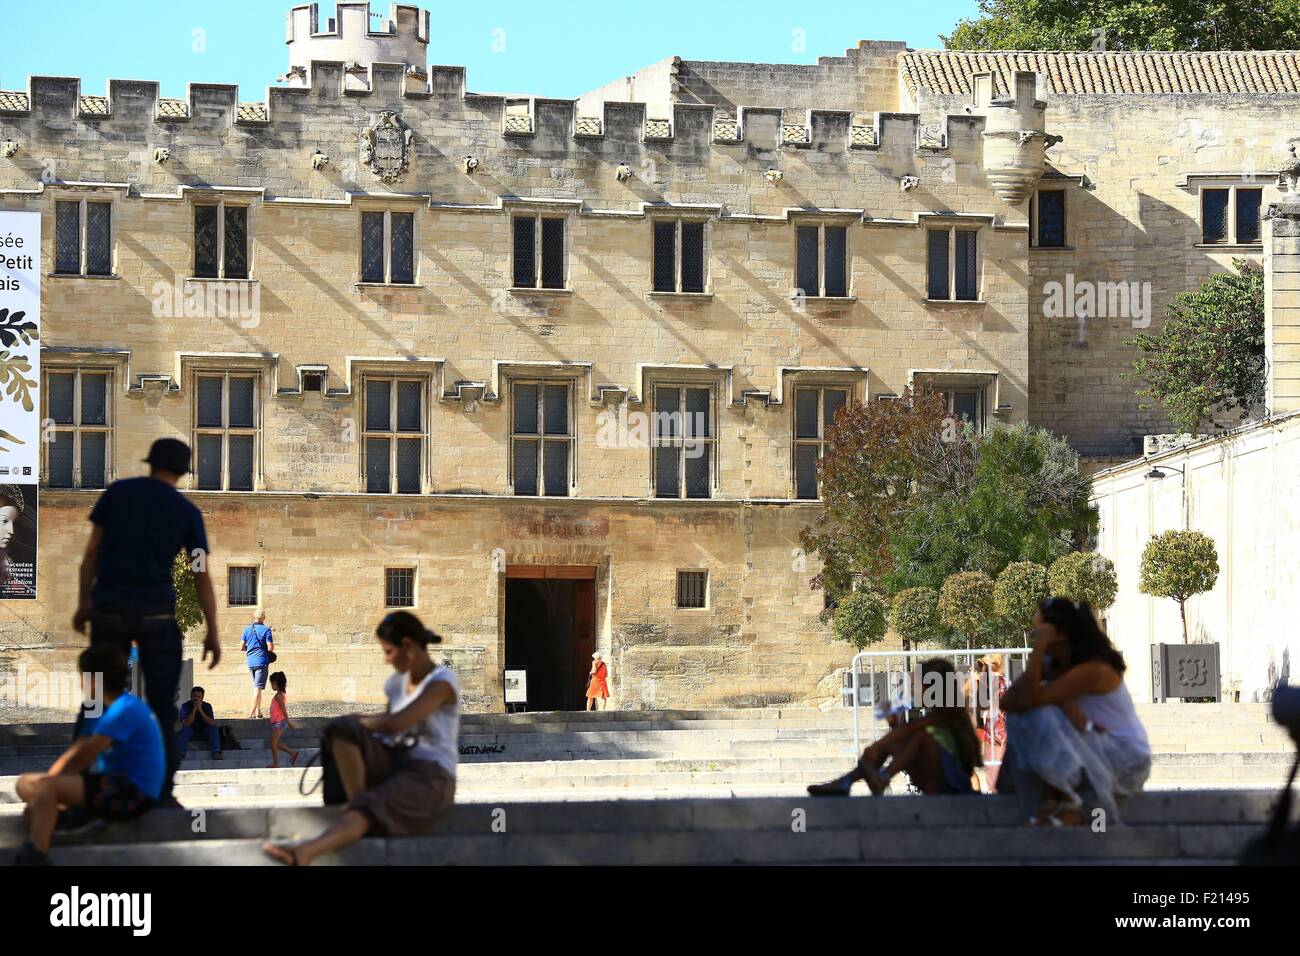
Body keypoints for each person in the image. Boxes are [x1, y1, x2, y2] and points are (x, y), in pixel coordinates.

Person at [72, 437, 219, 804]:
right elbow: (200, 573)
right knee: (162, 706)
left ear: (150, 462)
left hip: (109, 610)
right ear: (185, 471)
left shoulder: (117, 494)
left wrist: (83, 602)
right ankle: (161, 792)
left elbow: (91, 555)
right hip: (157, 614)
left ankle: (80, 788)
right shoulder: (187, 513)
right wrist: (213, 631)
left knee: (95, 699)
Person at [262, 611, 458, 866]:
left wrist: (358, 720)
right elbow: (388, 718)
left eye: (389, 652)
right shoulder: (396, 685)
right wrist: (351, 722)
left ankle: (307, 850)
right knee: (341, 729)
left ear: (407, 646)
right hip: (396, 761)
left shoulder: (442, 683)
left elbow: (397, 722)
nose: (387, 660)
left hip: (431, 775)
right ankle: (359, 802)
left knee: (350, 729)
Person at [999, 597, 1152, 827]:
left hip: (1125, 760)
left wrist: (1038, 650)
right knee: (1023, 715)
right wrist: (1041, 665)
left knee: (1040, 713)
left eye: (1039, 632)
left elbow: (1032, 700)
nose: (1035, 636)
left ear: (1058, 634)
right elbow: (1008, 702)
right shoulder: (1058, 665)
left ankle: (1072, 802)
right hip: (1096, 749)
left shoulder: (1094, 669)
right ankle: (1050, 797)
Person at [12, 645, 165, 865]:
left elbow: (84, 757)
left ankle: (36, 855)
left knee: (46, 788)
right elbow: (75, 754)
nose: (80, 683)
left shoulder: (124, 710)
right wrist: (42, 795)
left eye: (82, 676)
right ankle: (64, 814)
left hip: (132, 792)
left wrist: (45, 793)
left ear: (94, 680)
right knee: (25, 783)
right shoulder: (110, 709)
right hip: (112, 784)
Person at [808, 659, 982, 797]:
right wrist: (891, 728)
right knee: (898, 742)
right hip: (937, 779)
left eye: (915, 685)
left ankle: (878, 779)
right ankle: (847, 782)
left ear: (931, 689)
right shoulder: (941, 714)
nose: (912, 690)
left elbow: (908, 731)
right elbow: (904, 734)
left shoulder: (945, 715)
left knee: (921, 737)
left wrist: (877, 745)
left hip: (951, 785)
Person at [241, 609, 274, 718]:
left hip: (251, 661)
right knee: (257, 688)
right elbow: (270, 648)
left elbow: (241, 647)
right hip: (262, 661)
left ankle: (258, 712)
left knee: (258, 687)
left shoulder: (246, 630)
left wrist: (251, 648)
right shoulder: (266, 630)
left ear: (254, 617)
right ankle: (251, 713)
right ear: (263, 618)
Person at [177, 686, 223, 760]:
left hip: (204, 732)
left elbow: (211, 723)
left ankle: (216, 751)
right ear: (191, 696)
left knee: (213, 729)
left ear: (202, 697)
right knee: (185, 729)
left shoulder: (207, 706)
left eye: (198, 696)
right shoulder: (185, 706)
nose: (196, 698)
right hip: (191, 732)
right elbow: (186, 723)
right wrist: (194, 710)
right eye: (194, 696)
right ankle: (180, 753)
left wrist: (200, 710)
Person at [268, 671, 299, 768]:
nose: (271, 686)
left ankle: (276, 763)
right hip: (276, 722)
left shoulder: (279, 695)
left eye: (272, 683)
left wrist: (288, 721)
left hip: (279, 722)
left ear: (276, 683)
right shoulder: (280, 694)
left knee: (273, 743)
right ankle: (292, 753)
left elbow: (283, 709)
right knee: (275, 743)